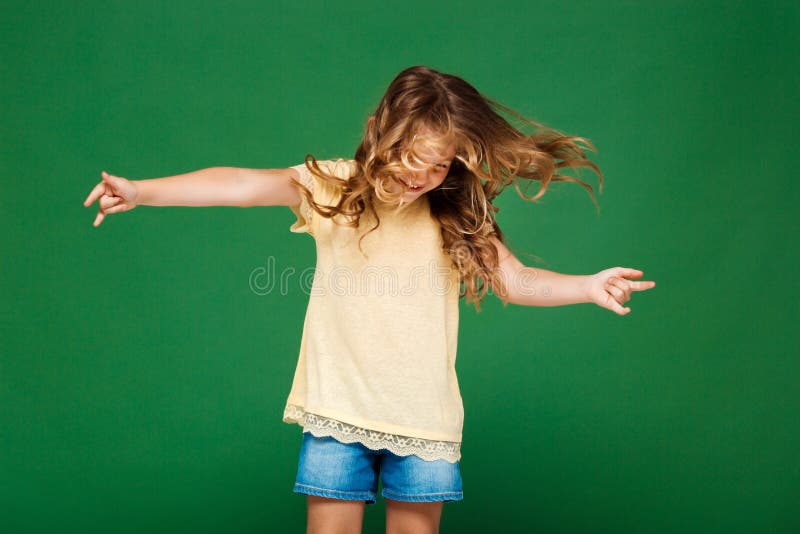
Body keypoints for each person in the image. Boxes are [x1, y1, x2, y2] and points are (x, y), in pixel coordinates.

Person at [83, 65, 656, 534]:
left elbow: (515, 280)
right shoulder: (333, 189)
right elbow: (239, 185)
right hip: (338, 414)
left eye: (439, 165)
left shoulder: (454, 213)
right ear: (382, 130)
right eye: (413, 158)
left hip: (424, 422)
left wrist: (585, 286)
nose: (422, 176)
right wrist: (142, 191)